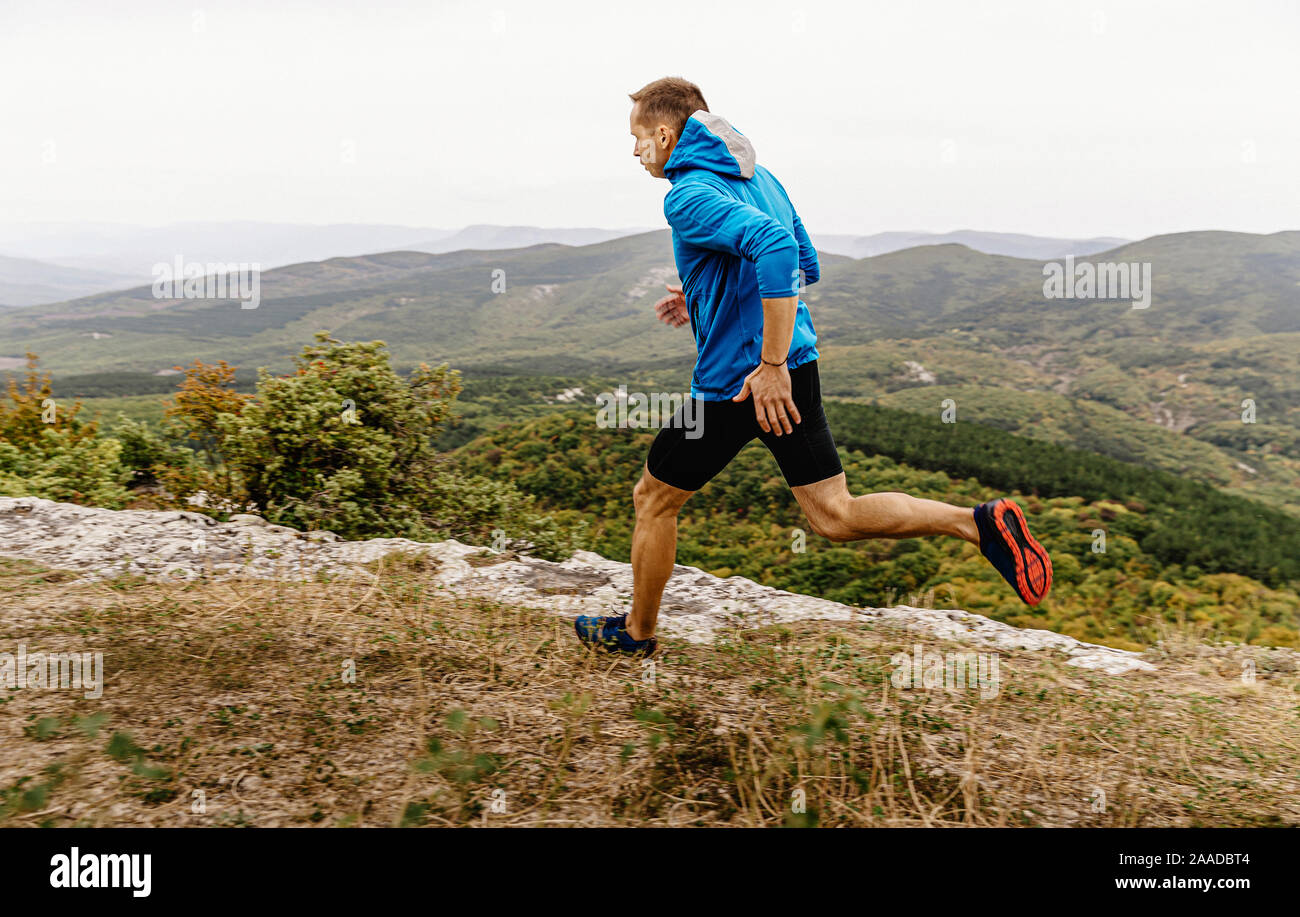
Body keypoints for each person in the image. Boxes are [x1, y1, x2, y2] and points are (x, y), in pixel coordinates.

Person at [576, 77, 1052, 655]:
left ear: (663, 132)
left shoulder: (686, 193)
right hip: (797, 368)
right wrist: (706, 292)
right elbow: (806, 262)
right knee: (835, 514)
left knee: (653, 499)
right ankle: (976, 523)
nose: (634, 152)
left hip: (740, 384)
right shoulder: (761, 177)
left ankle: (635, 633)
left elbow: (776, 250)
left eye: (636, 139)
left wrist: (766, 363)